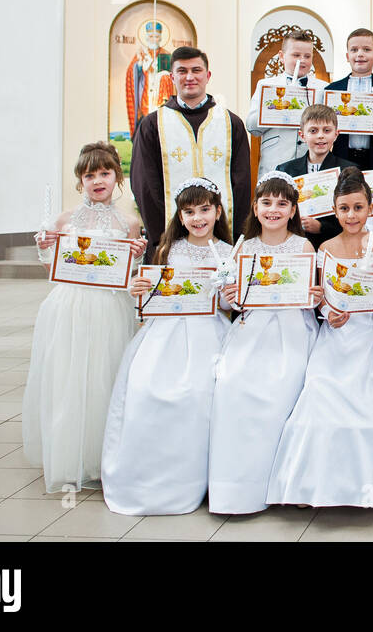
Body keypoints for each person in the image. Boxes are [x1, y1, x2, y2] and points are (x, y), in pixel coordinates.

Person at [102, 177, 234, 515]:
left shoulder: (228, 252)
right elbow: (151, 294)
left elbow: (229, 305)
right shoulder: (167, 250)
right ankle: (152, 473)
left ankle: (201, 477)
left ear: (218, 212)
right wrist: (140, 289)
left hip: (210, 331)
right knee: (147, 388)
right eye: (189, 212)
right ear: (180, 216)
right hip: (166, 333)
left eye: (204, 209)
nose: (197, 218)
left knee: (201, 394)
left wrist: (228, 296)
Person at [267, 169, 373, 508]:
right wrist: (329, 312)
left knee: (366, 398)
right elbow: (321, 295)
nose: (351, 215)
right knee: (320, 388)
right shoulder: (324, 247)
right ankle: (308, 485)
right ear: (334, 210)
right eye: (344, 208)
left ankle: (367, 486)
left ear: (370, 208)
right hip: (336, 333)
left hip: (369, 333)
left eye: (358, 208)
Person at [25, 142, 145, 490]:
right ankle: (70, 454)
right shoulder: (64, 220)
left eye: (105, 173)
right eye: (89, 174)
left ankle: (101, 455)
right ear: (80, 180)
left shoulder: (129, 223)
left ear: (116, 177)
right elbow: (55, 267)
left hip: (110, 306)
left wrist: (136, 254)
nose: (97, 180)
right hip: (71, 306)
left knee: (104, 375)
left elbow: (129, 274)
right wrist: (46, 247)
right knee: (70, 375)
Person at [209, 172, 321, 515]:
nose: (274, 210)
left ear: (293, 211)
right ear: (255, 208)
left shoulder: (303, 246)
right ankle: (241, 486)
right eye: (267, 203)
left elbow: (312, 298)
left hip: (292, 330)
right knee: (233, 383)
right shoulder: (244, 247)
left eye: (282, 204)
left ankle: (286, 482)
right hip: (252, 329)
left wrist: (315, 296)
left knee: (287, 384)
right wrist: (229, 296)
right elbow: (233, 305)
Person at [131, 46, 251, 261]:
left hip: (223, 238)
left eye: (196, 70)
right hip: (168, 235)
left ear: (208, 75)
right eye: (182, 71)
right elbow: (145, 184)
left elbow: (241, 183)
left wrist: (236, 234)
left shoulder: (230, 123)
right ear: (172, 77)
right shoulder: (153, 124)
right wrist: (162, 235)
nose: (190, 77)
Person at [277, 103, 357, 251]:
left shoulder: (349, 170)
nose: (320, 135)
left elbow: (355, 213)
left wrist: (321, 227)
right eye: (313, 131)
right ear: (302, 135)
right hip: (294, 245)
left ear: (336, 134)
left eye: (326, 130)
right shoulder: (285, 170)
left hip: (335, 245)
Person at [246, 28, 323, 178]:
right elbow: (251, 126)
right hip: (275, 162)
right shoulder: (266, 85)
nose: (302, 60)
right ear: (282, 56)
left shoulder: (322, 88)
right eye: (296, 55)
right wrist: (276, 108)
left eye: (307, 56)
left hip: (310, 164)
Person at [326, 28, 373, 171]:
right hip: (342, 157)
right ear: (347, 56)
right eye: (354, 50)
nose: (360, 54)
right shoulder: (332, 90)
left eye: (366, 49)